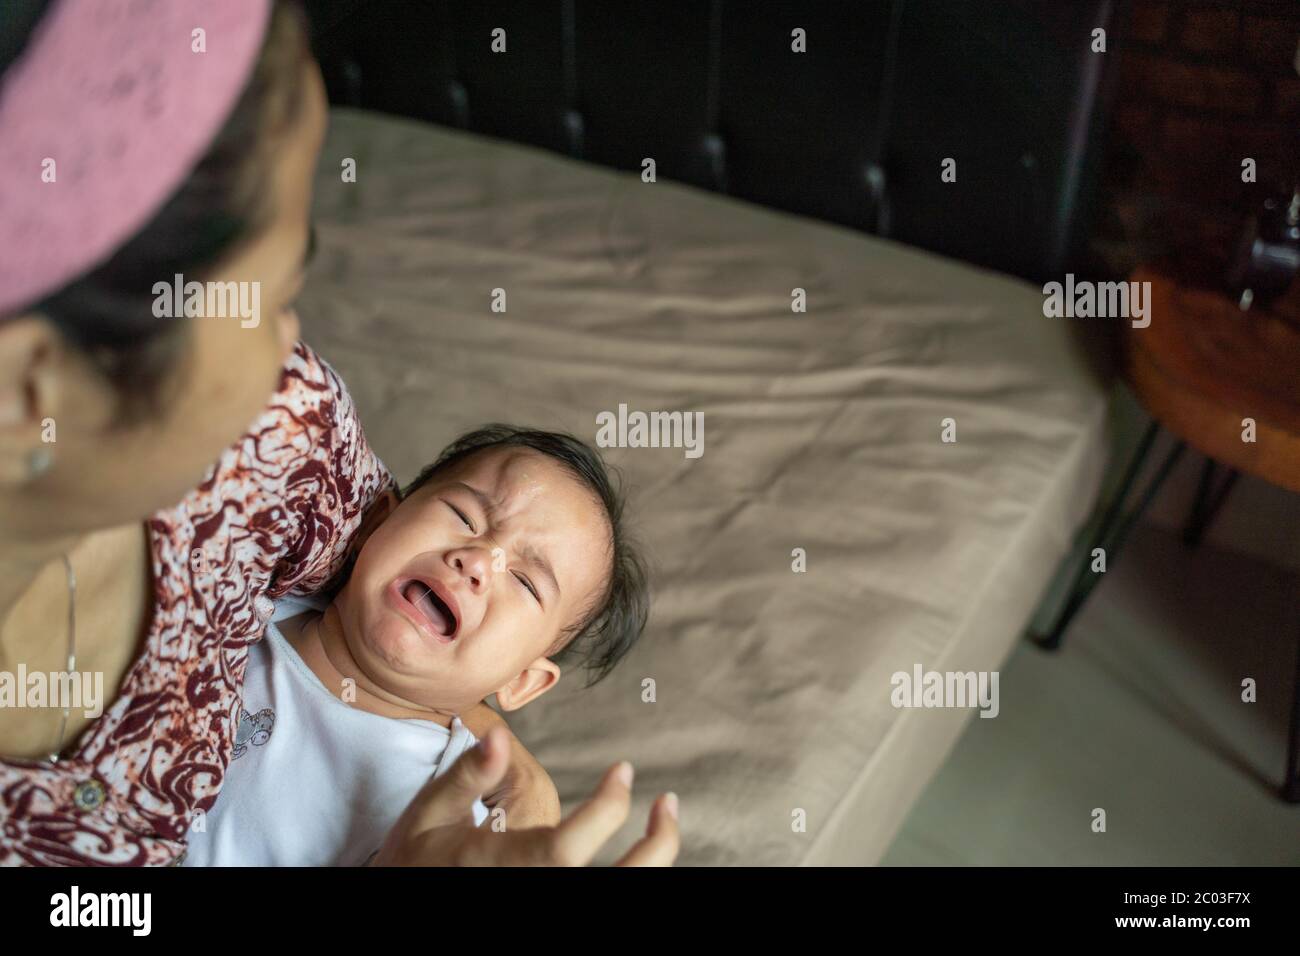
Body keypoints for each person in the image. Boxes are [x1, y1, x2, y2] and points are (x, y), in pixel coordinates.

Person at [0, 0, 679, 866]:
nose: (294, 353)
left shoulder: (285, 460)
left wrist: (486, 741)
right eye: (270, 299)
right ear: (31, 393)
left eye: (527, 580)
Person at [183, 425, 657, 866]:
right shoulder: (255, 592)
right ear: (376, 523)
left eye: (525, 582)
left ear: (522, 680)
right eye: (464, 515)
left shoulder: (446, 806)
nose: (477, 561)